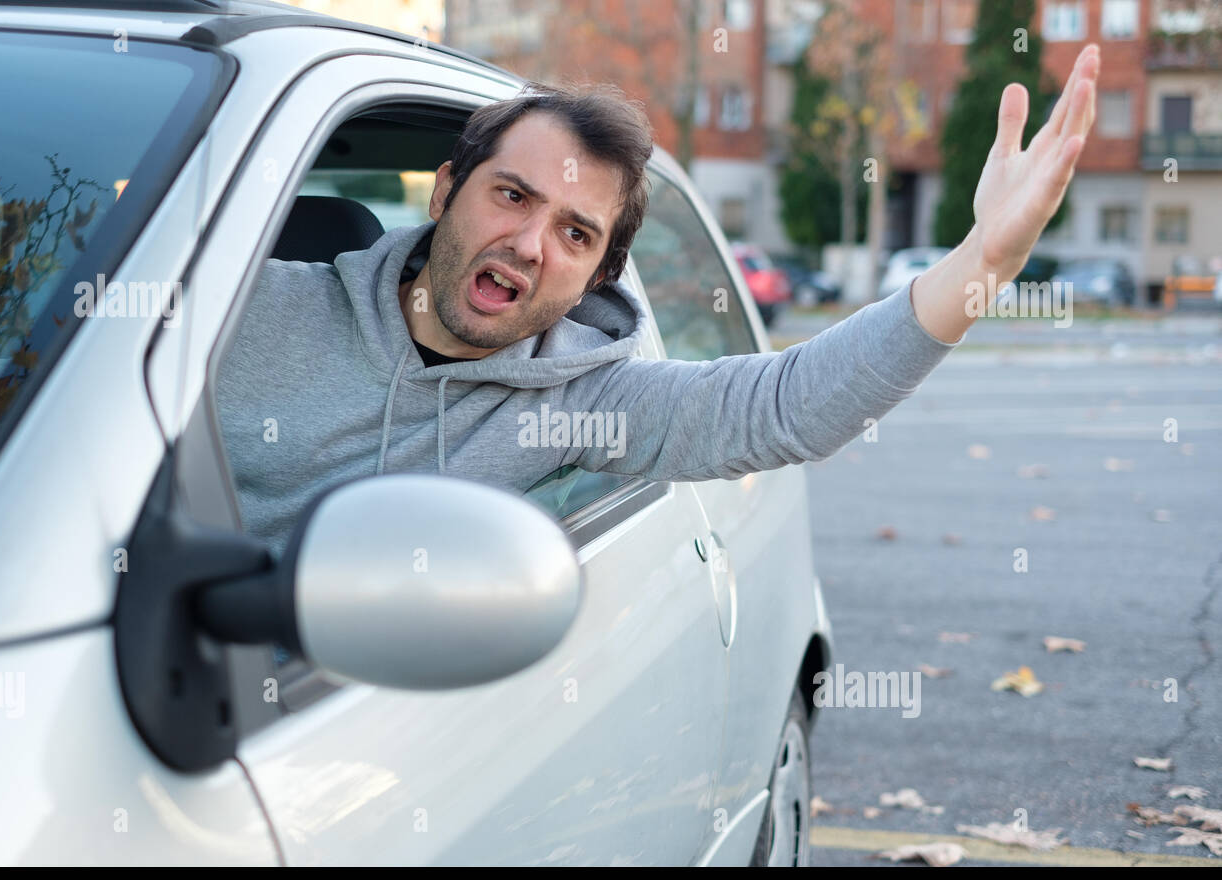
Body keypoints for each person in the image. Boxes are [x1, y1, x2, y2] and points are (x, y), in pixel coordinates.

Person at [216, 46, 1102, 559]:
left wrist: (986, 259)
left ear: (598, 276)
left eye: (574, 233)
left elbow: (784, 407)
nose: (529, 245)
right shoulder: (237, 315)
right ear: (447, 189)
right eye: (513, 196)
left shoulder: (584, 406)